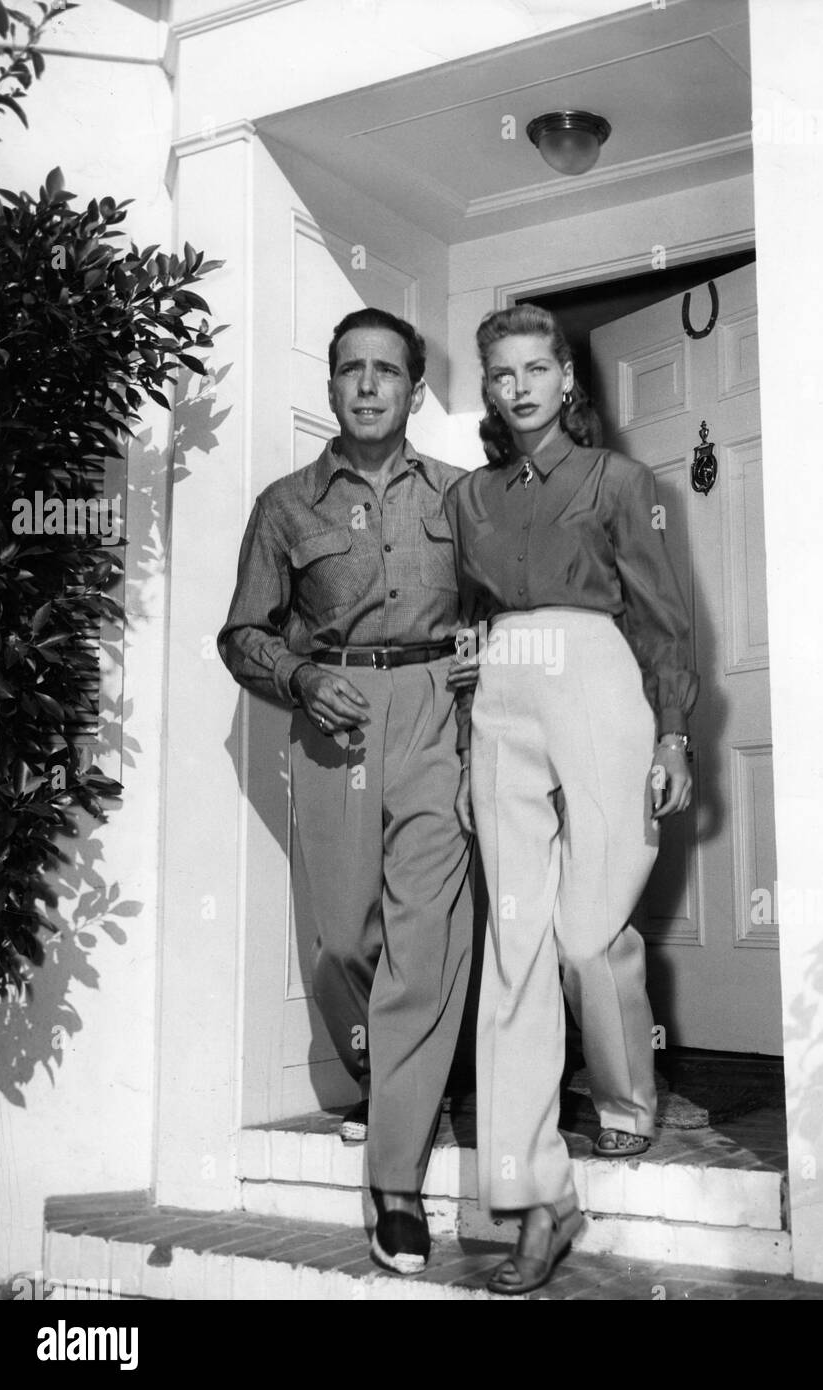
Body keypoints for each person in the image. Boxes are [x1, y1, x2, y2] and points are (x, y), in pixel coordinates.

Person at [445, 302, 698, 1295]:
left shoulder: (620, 482)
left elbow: (662, 618)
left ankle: (631, 1096)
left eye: (533, 369)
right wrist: (468, 734)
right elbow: (468, 620)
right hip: (503, 688)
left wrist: (672, 730)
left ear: (565, 380)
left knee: (586, 930)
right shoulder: (470, 498)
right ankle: (538, 1198)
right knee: (513, 940)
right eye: (499, 372)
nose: (517, 387)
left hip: (598, 676)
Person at [218, 307, 473, 1276]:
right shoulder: (285, 505)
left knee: (424, 943)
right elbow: (243, 632)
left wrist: (486, 658)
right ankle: (397, 1069)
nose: (369, 385)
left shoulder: (459, 497)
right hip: (332, 714)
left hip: (433, 714)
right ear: (331, 386)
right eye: (352, 370)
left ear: (412, 389)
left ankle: (396, 1181)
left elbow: (503, 609)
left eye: (388, 371)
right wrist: (295, 676)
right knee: (339, 939)